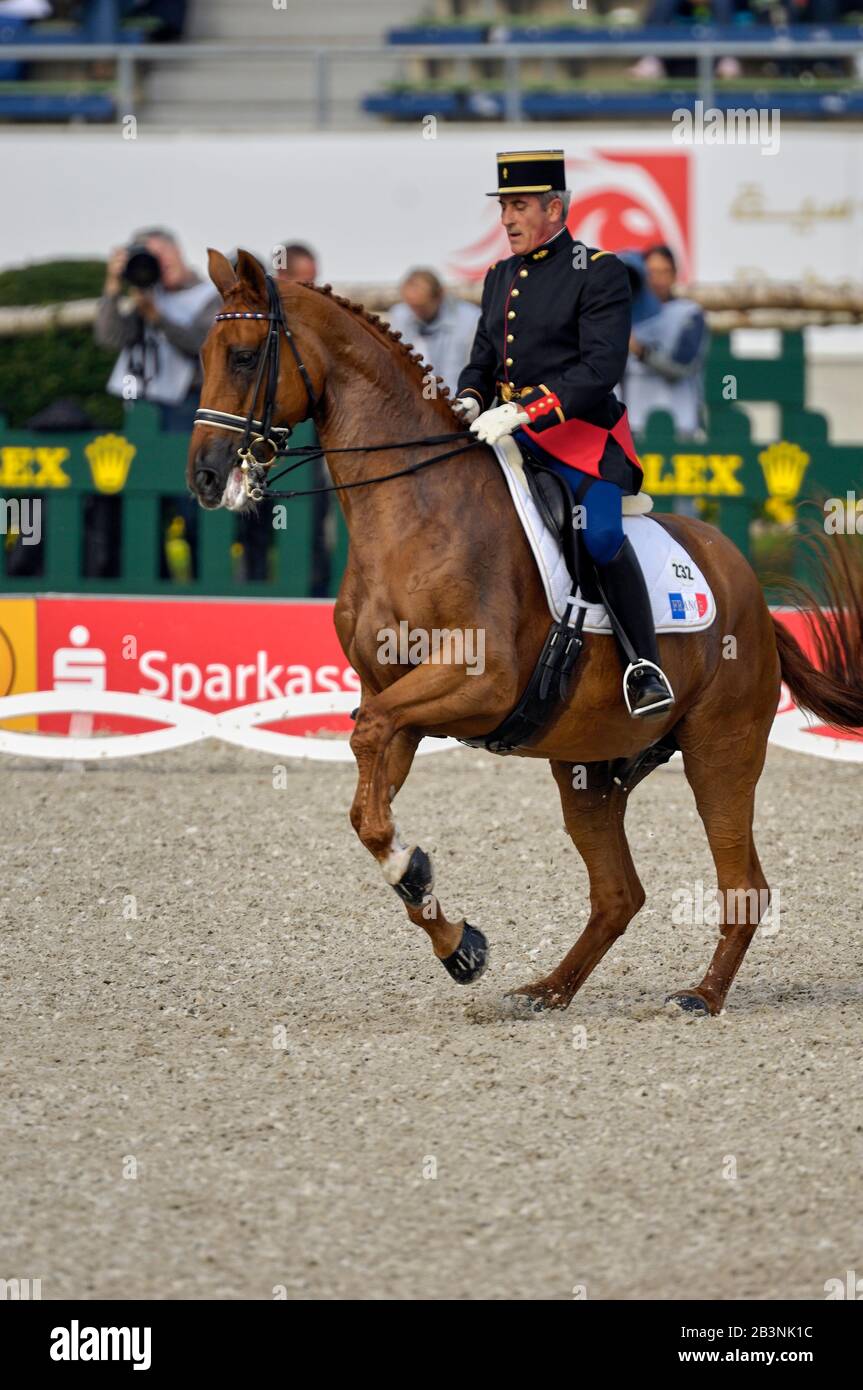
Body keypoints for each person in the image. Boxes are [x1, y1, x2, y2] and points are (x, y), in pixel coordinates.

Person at [452, 149, 674, 719]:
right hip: (505, 436)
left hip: (580, 441)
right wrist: (470, 397)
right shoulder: (500, 275)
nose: (506, 219)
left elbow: (601, 371)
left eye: (518, 206)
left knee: (598, 537)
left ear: (555, 207)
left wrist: (528, 410)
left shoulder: (600, 271)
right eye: (503, 206)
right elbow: (482, 358)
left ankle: (642, 665)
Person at [95, 226, 220, 431]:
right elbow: (109, 338)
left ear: (177, 250)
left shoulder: (210, 295)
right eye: (152, 257)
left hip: (189, 400)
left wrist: (157, 318)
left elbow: (203, 345)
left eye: (162, 253)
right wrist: (113, 286)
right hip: (140, 397)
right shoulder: (147, 294)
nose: (161, 263)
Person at [622, 245, 709, 440]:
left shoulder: (689, 313)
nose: (658, 280)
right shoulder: (622, 314)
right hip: (633, 425)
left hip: (680, 425)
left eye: (664, 272)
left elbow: (682, 367)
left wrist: (641, 351)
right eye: (652, 272)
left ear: (675, 274)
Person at [387, 269, 480, 396]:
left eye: (422, 306)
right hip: (417, 401)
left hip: (459, 402)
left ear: (439, 295)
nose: (416, 312)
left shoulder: (471, 319)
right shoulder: (400, 315)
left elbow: (474, 373)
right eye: (411, 306)